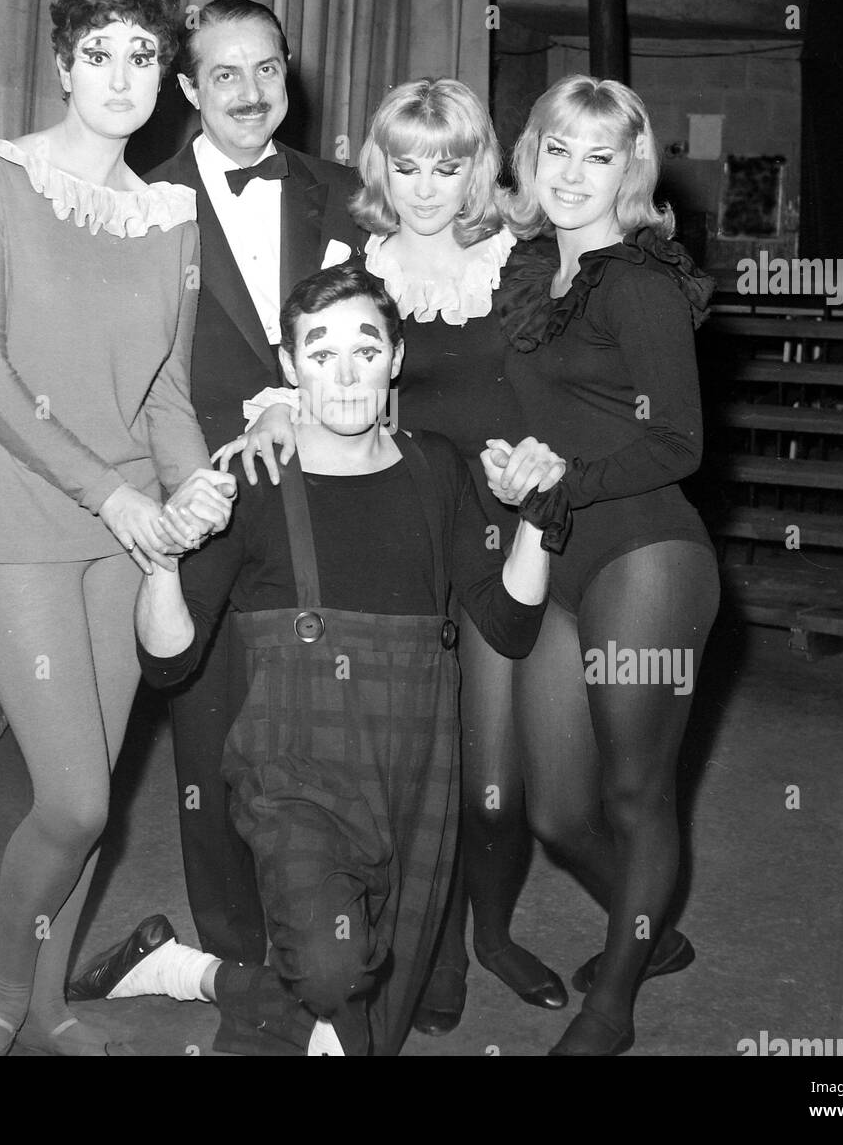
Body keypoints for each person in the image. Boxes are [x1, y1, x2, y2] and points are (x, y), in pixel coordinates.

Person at [67, 264, 559, 1055]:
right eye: (319, 352)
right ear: (291, 369)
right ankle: (217, 980)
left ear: (395, 358)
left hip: (417, 775)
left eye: (366, 347)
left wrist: (539, 517)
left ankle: (187, 970)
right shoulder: (253, 478)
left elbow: (507, 623)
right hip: (295, 770)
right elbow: (167, 662)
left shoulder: (436, 467)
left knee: (358, 1032)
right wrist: (161, 560)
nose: (345, 371)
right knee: (333, 977)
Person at [0, 0, 235, 1056]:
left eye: (143, 55)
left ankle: (51, 1000)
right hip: (21, 519)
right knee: (73, 800)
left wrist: (193, 490)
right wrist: (113, 497)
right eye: (98, 51)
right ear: (63, 63)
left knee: (93, 794)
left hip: (130, 537)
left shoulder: (169, 218)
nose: (120, 73)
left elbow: (164, 388)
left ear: (167, 76)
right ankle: (3, 990)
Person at [230, 79, 568, 1032]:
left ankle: (480, 936)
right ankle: (434, 964)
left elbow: (575, 374)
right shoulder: (357, 253)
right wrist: (273, 409)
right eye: (408, 165)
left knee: (490, 780)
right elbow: (315, 349)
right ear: (381, 166)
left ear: (479, 168)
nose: (426, 187)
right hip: (408, 519)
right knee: (429, 759)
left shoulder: (523, 260)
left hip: (504, 518)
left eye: (449, 165)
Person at [489, 73, 719, 1055]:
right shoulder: (526, 270)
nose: (574, 173)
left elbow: (678, 443)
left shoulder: (639, 281)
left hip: (644, 555)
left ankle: (612, 1006)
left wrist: (564, 478)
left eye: (600, 154)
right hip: (555, 552)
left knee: (634, 793)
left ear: (631, 170)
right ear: (531, 157)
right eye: (557, 149)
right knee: (556, 812)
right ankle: (649, 927)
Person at [143, 0, 362, 967]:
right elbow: (139, 376)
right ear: (188, 89)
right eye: (222, 74)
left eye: (265, 69)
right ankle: (235, 956)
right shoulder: (144, 204)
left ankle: (335, 942)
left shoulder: (347, 192)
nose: (248, 91)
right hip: (213, 499)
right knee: (214, 735)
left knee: (329, 733)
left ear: (289, 75)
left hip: (332, 500)